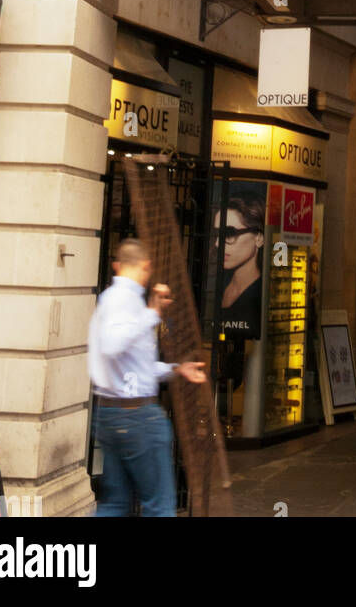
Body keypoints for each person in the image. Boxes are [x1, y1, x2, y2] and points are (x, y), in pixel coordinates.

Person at [88, 238, 206, 517]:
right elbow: (113, 344)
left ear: (117, 265)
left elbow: (136, 366)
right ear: (147, 266)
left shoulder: (112, 301)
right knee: (160, 507)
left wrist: (176, 369)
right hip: (137, 416)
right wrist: (152, 314)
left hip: (110, 413)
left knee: (115, 503)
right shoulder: (125, 301)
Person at [215, 193, 265, 337]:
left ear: (259, 238)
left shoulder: (259, 296)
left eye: (229, 233)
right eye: (217, 234)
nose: (217, 244)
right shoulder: (219, 284)